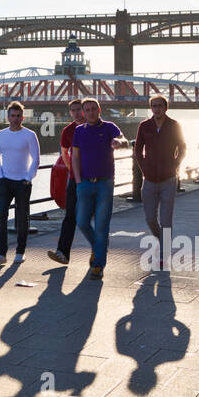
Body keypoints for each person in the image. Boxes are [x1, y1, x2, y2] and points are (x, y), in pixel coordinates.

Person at [69, 98, 129, 280]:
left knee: (102, 226)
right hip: (85, 183)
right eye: (87, 110)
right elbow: (75, 157)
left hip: (104, 183)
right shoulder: (79, 131)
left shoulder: (109, 127)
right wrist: (78, 181)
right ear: (83, 113)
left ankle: (98, 265)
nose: (91, 112)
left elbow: (122, 139)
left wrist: (120, 143)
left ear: (99, 110)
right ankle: (99, 247)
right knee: (82, 222)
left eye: (94, 109)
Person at [134, 95, 186, 269]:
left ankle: (164, 256)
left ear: (166, 107)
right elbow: (138, 149)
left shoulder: (174, 125)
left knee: (166, 220)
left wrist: (176, 165)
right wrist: (144, 168)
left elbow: (182, 147)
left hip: (168, 180)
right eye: (154, 106)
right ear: (151, 108)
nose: (157, 109)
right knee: (150, 218)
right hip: (148, 180)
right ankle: (162, 239)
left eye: (159, 106)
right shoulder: (144, 126)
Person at [0, 101, 40, 265]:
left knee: (22, 218)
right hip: (5, 182)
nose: (15, 119)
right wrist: (0, 176)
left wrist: (28, 177)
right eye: (12, 116)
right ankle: (1, 254)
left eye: (18, 116)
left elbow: (36, 158)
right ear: (8, 117)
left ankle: (20, 252)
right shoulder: (0, 134)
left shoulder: (29, 135)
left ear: (22, 117)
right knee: (1, 217)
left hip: (22, 183)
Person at [47, 100, 85, 266]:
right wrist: (72, 170)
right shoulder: (68, 131)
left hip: (95, 179)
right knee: (69, 216)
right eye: (73, 110)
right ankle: (62, 253)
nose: (76, 113)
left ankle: (99, 252)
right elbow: (64, 153)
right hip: (74, 180)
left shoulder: (95, 126)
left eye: (79, 110)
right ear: (70, 112)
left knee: (94, 217)